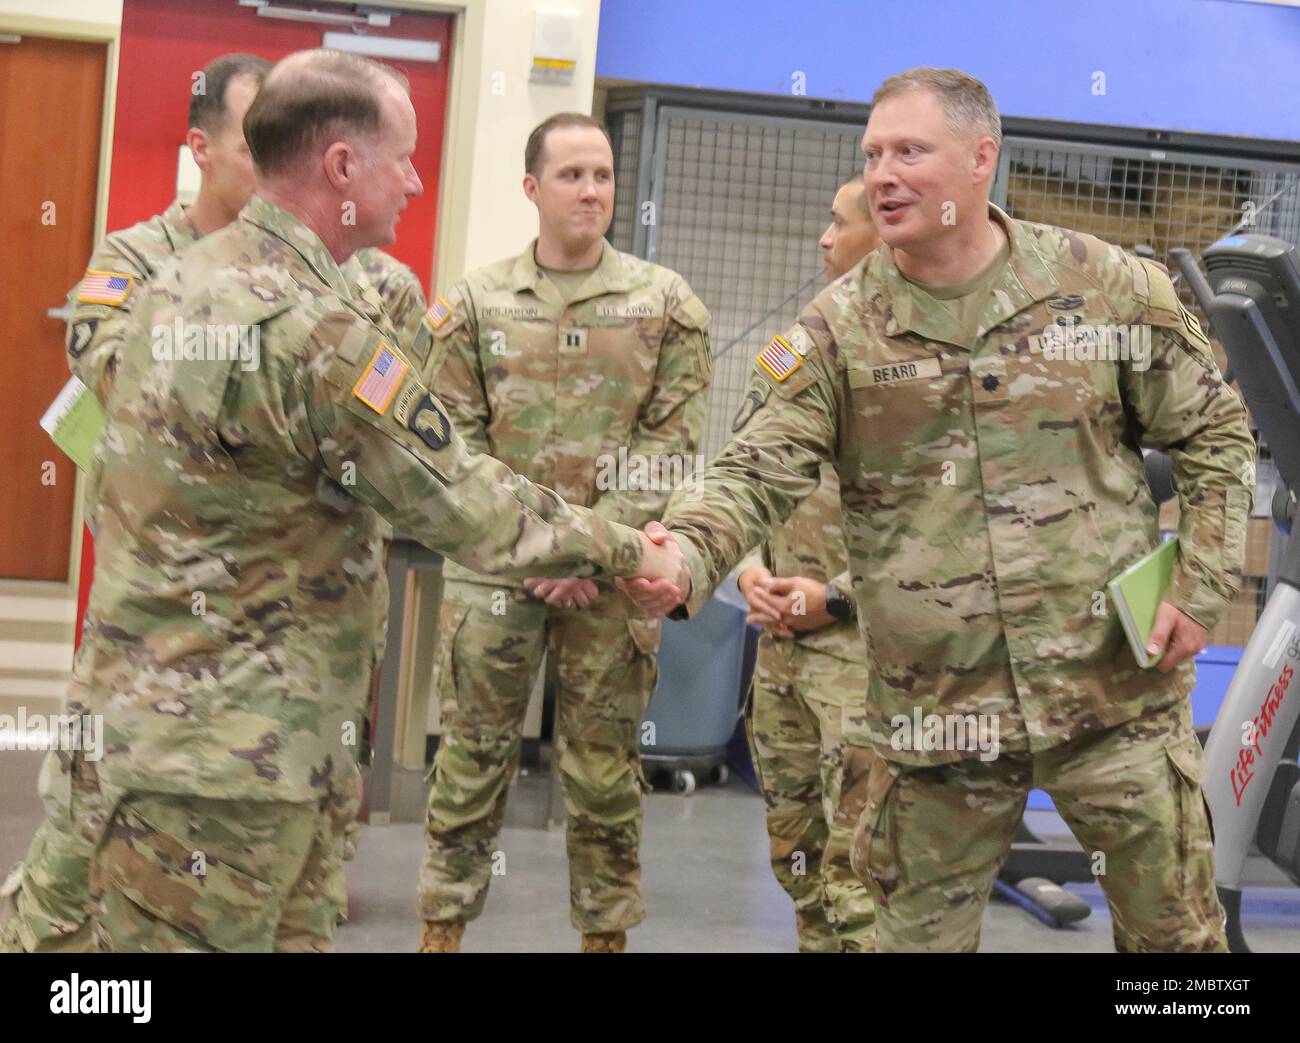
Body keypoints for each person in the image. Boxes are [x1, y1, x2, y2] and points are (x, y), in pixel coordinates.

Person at [6, 49, 683, 955]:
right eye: (402, 158)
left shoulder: (180, 282)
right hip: (232, 768)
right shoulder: (314, 330)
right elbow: (463, 501)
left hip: (182, 736)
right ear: (341, 167)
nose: (414, 180)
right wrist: (635, 550)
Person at [624, 67, 1255, 953]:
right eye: (872, 155)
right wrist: (687, 550)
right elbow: (753, 468)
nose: (884, 174)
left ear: (980, 159)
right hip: (938, 720)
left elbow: (1215, 430)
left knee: (1179, 949)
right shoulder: (836, 331)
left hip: (1113, 694)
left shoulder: (1104, 287)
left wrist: (1199, 582)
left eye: (910, 152)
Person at [415, 113, 712, 954]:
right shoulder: (473, 305)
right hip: (495, 574)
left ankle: (604, 941)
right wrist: (537, 551)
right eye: (572, 174)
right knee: (468, 767)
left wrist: (588, 552)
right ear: (531, 187)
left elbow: (670, 444)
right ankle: (439, 934)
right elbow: (455, 450)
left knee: (605, 775)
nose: (591, 190)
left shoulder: (667, 304)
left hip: (611, 582)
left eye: (603, 175)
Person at [735, 177, 878, 953]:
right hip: (781, 650)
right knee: (796, 858)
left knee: (860, 876)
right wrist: (749, 570)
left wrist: (838, 597)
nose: (824, 238)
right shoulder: (793, 346)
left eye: (837, 222)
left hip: (861, 660)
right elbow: (745, 468)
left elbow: (956, 528)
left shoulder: (921, 360)